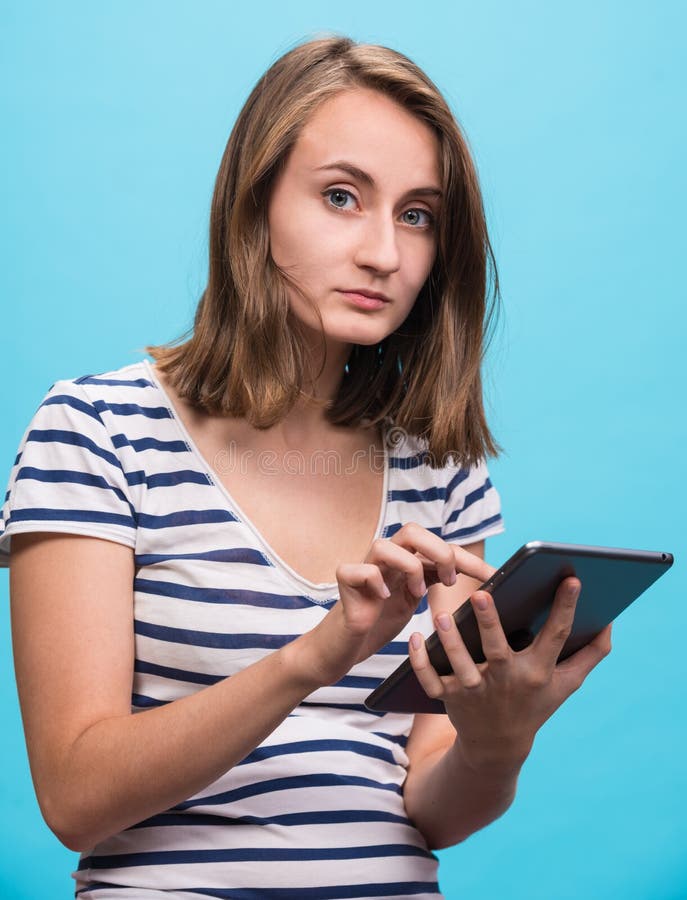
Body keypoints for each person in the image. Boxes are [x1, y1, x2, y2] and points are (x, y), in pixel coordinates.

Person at [0, 36, 611, 899]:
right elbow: (75, 797)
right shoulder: (97, 431)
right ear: (253, 205)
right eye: (339, 197)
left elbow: (429, 812)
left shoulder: (440, 476)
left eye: (416, 215)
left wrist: (494, 743)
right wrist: (314, 656)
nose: (384, 255)